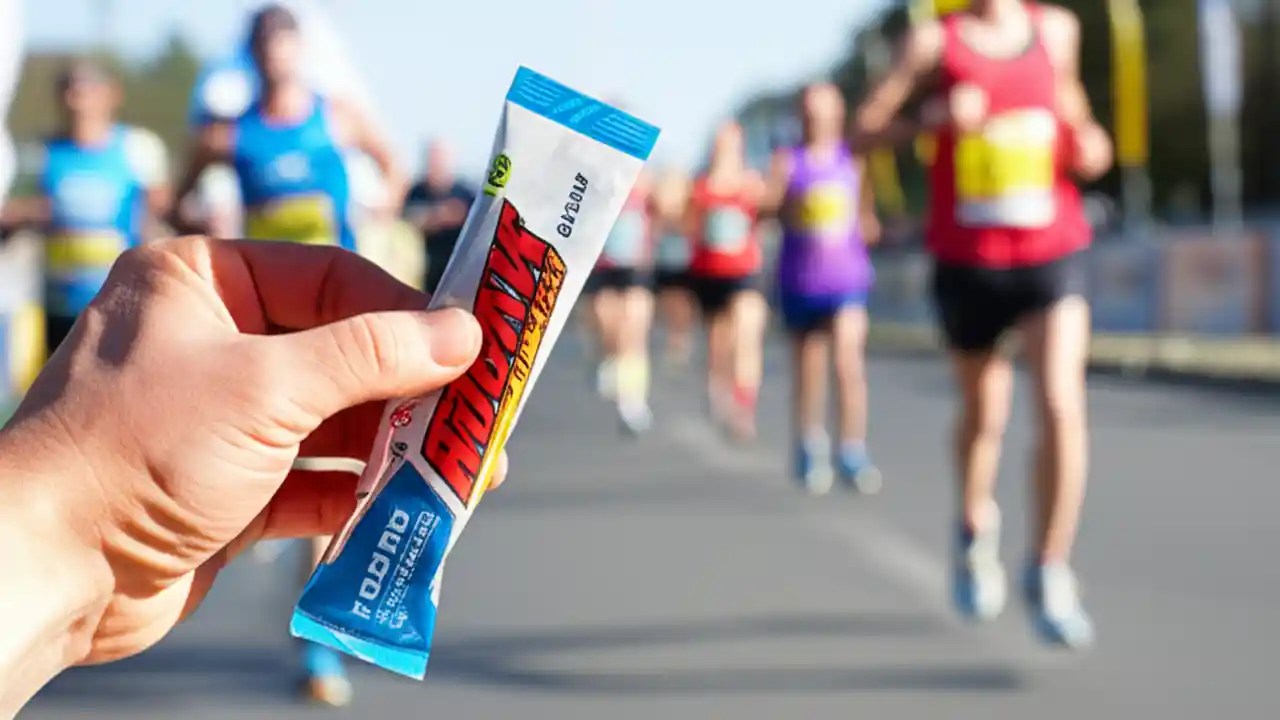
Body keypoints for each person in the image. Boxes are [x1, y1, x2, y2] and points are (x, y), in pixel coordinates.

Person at [0, 236, 503, 717]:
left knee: (345, 499)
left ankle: (320, 651)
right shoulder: (240, 145)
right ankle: (320, 638)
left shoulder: (350, 149)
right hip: (275, 343)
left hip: (349, 342)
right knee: (329, 492)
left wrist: (76, 554)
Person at [852, 0, 1112, 648]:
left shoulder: (1057, 30)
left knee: (1061, 404)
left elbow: (1078, 122)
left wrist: (1092, 146)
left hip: (1053, 248)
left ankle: (1049, 567)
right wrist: (931, 120)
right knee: (984, 415)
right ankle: (974, 528)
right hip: (969, 260)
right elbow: (861, 131)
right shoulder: (933, 44)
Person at [172, 4, 407, 705]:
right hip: (264, 327)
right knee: (287, 465)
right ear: (252, 55)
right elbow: (178, 196)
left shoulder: (336, 115)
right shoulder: (231, 133)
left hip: (334, 322)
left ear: (302, 50)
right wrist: (201, 228)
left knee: (334, 468)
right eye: (266, 42)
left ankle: (319, 651)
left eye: (287, 39)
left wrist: (379, 215)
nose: (278, 52)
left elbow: (391, 166)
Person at [1, 62, 170, 356]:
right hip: (60, 304)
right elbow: (11, 214)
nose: (76, 97)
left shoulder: (137, 148)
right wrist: (31, 212)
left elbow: (164, 211)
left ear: (111, 94)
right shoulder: (42, 154)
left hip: (119, 301)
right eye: (68, 88)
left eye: (86, 87)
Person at [763, 82, 880, 496]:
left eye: (825, 110)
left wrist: (870, 228)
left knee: (849, 363)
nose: (817, 118)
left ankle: (852, 448)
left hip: (848, 277)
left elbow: (864, 215)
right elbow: (768, 207)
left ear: (838, 112)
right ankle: (810, 442)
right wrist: (779, 201)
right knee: (809, 369)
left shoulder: (853, 160)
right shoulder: (787, 161)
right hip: (801, 278)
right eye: (810, 111)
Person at [686, 122, 769, 442]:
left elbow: (766, 212)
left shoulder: (751, 183)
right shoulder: (701, 186)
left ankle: (743, 407)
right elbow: (689, 224)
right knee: (719, 339)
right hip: (709, 273)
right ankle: (717, 388)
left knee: (747, 333)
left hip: (744, 271)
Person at [584, 170, 655, 433]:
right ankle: (606, 357)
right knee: (607, 323)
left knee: (633, 330)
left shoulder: (646, 183)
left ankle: (633, 402)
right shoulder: (600, 179)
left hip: (634, 266)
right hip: (604, 265)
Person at [405, 139, 476, 294]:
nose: (436, 164)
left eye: (440, 159)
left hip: (459, 271)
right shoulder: (417, 191)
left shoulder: (465, 193)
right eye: (433, 159)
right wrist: (441, 215)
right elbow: (408, 217)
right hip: (429, 269)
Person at [649, 168, 696, 368]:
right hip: (665, 259)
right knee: (668, 298)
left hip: (683, 259)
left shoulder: (688, 206)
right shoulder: (659, 206)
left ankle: (679, 335)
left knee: (682, 300)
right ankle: (674, 333)